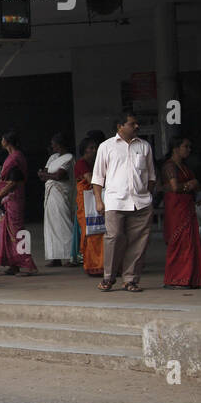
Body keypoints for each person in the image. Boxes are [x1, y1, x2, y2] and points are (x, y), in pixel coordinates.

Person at [91, 113, 157, 293]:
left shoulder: (144, 146)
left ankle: (130, 280)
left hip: (141, 203)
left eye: (137, 123)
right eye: (132, 123)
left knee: (139, 242)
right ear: (120, 126)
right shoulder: (106, 147)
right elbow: (98, 178)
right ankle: (108, 277)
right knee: (114, 238)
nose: (136, 126)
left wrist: (146, 195)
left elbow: (151, 176)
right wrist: (99, 200)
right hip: (115, 202)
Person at [0, 131, 38, 276]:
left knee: (17, 232)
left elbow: (12, 183)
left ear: (7, 141)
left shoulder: (15, 158)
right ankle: (13, 264)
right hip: (7, 201)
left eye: (2, 139)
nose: (0, 141)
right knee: (6, 232)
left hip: (13, 199)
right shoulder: (11, 157)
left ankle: (28, 265)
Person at [161, 135, 201, 289]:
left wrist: (192, 184)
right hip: (176, 209)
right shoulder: (169, 166)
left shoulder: (185, 167)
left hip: (187, 207)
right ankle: (176, 279)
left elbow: (196, 186)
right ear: (175, 148)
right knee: (179, 242)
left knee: (190, 243)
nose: (188, 150)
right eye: (185, 146)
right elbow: (174, 187)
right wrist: (190, 185)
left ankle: (189, 278)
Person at [37, 133, 74, 267]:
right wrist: (46, 175)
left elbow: (60, 176)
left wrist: (45, 174)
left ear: (59, 144)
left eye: (53, 144)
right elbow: (46, 174)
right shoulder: (53, 157)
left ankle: (72, 256)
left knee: (64, 223)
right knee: (51, 225)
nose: (52, 146)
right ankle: (56, 257)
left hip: (61, 193)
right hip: (50, 194)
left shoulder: (69, 158)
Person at [73, 138, 104, 277]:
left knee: (102, 233)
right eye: (91, 148)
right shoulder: (81, 164)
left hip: (97, 199)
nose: (94, 150)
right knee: (91, 233)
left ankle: (103, 263)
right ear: (84, 150)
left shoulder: (96, 163)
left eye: (95, 147)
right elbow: (91, 180)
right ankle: (92, 265)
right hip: (87, 203)